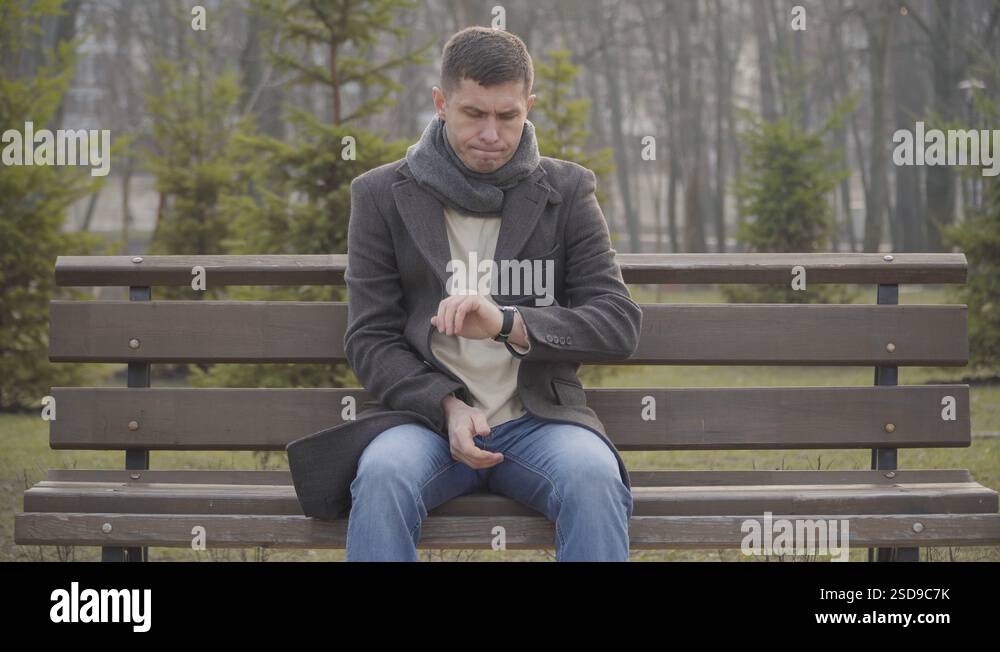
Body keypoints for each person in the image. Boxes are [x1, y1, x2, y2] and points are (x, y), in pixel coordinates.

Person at [343, 26, 642, 561]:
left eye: (508, 115)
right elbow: (370, 338)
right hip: (425, 424)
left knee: (594, 480)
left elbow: (617, 322)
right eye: (473, 114)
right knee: (384, 476)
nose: (491, 134)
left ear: (530, 104)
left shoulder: (566, 192)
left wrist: (510, 322)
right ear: (440, 103)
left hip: (538, 421)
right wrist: (447, 406)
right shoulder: (381, 195)